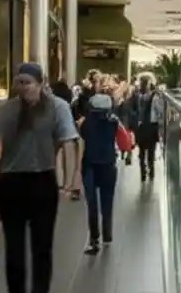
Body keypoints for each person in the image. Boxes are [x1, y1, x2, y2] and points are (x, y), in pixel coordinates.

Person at [0, 63, 79, 293]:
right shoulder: (8, 110)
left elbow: (69, 141)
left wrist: (69, 182)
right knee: (14, 249)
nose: (24, 88)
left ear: (41, 83)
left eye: (28, 83)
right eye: (20, 83)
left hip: (42, 181)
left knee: (42, 247)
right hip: (12, 182)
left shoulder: (58, 108)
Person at [79, 93, 119, 254]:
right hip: (108, 165)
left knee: (92, 204)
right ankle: (107, 235)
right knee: (107, 203)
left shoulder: (86, 124)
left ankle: (94, 239)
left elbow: (83, 136)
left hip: (90, 166)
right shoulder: (113, 122)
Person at [129, 75, 165, 182]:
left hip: (140, 126)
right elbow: (160, 111)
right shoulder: (155, 96)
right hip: (151, 126)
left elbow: (132, 110)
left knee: (141, 151)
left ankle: (143, 172)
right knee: (151, 150)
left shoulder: (136, 96)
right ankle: (151, 171)